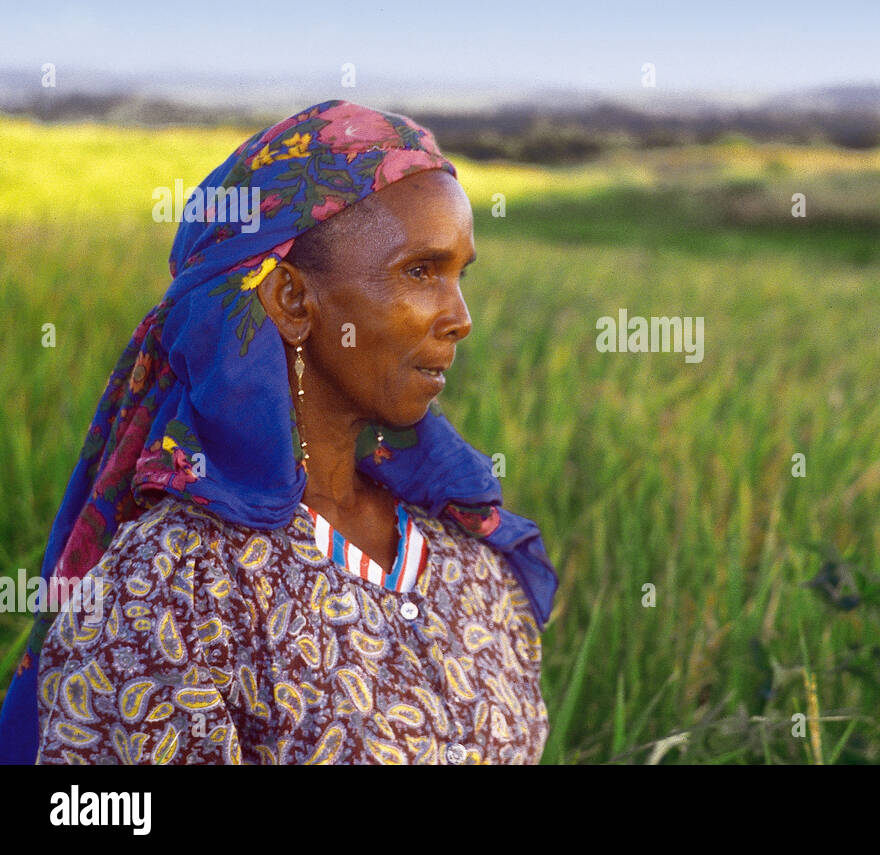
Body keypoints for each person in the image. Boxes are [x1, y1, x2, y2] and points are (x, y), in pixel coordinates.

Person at [0, 100, 558, 764]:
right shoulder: (172, 587)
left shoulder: (469, 552)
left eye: (459, 274)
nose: (460, 316)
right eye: (420, 271)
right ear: (292, 300)